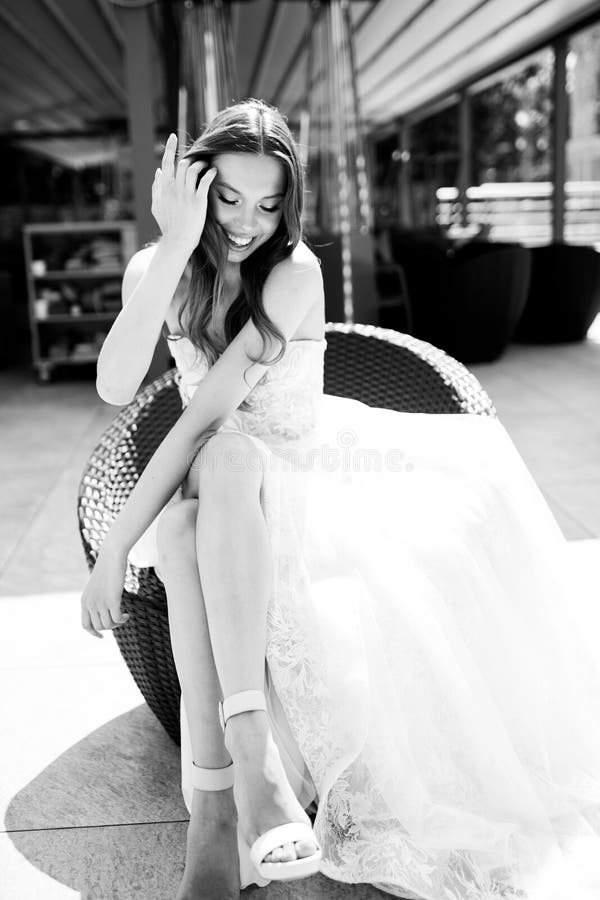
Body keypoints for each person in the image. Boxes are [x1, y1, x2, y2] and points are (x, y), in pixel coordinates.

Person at [81, 99, 600, 900]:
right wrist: (178, 244)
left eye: (268, 203)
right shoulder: (161, 264)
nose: (248, 222)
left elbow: (208, 419)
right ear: (194, 185)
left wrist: (117, 545)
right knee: (193, 510)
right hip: (210, 483)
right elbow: (116, 385)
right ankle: (239, 795)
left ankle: (220, 810)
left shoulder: (294, 273)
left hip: (299, 477)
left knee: (206, 484)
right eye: (227, 197)